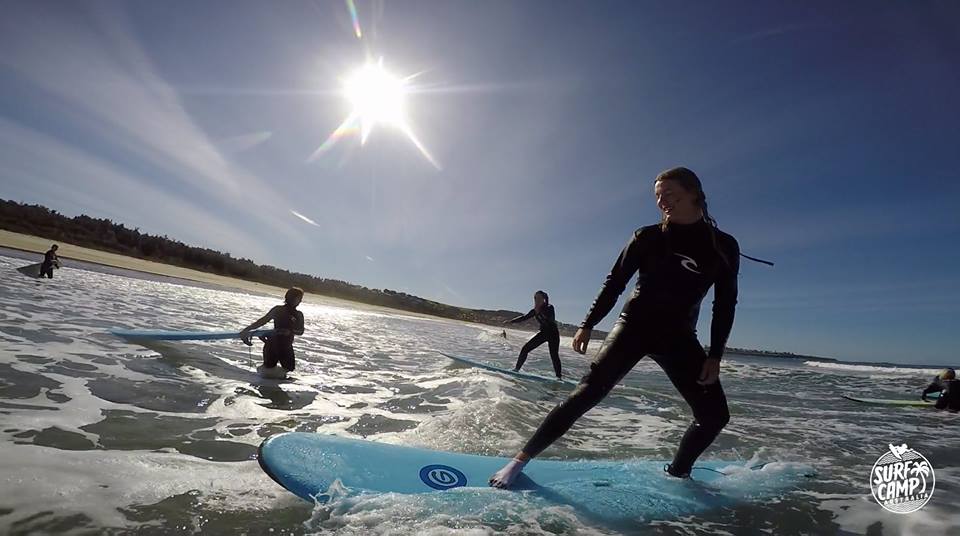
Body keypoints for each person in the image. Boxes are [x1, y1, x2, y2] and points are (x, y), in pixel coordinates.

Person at [490, 167, 740, 488]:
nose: (661, 201)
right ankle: (518, 462)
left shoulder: (723, 246)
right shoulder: (647, 237)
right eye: (657, 196)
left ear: (694, 193)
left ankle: (678, 474)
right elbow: (614, 283)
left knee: (714, 415)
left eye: (669, 193)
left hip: (678, 336)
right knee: (588, 393)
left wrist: (715, 355)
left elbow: (725, 304)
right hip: (633, 327)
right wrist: (588, 324)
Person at [240, 287, 305, 372]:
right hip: (272, 344)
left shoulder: (299, 314)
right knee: (268, 370)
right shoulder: (278, 310)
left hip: (286, 346)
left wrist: (290, 331)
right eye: (298, 298)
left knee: (289, 370)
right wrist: (246, 330)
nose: (300, 301)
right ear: (288, 297)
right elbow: (262, 321)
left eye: (300, 299)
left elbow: (301, 331)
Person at [504, 290, 562, 379]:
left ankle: (559, 377)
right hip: (543, 333)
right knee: (525, 349)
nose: (537, 300)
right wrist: (511, 321)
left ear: (543, 299)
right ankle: (516, 369)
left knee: (554, 355)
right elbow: (524, 317)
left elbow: (550, 319)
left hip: (553, 334)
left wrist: (540, 311)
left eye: (539, 298)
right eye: (535, 298)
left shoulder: (549, 307)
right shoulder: (534, 311)